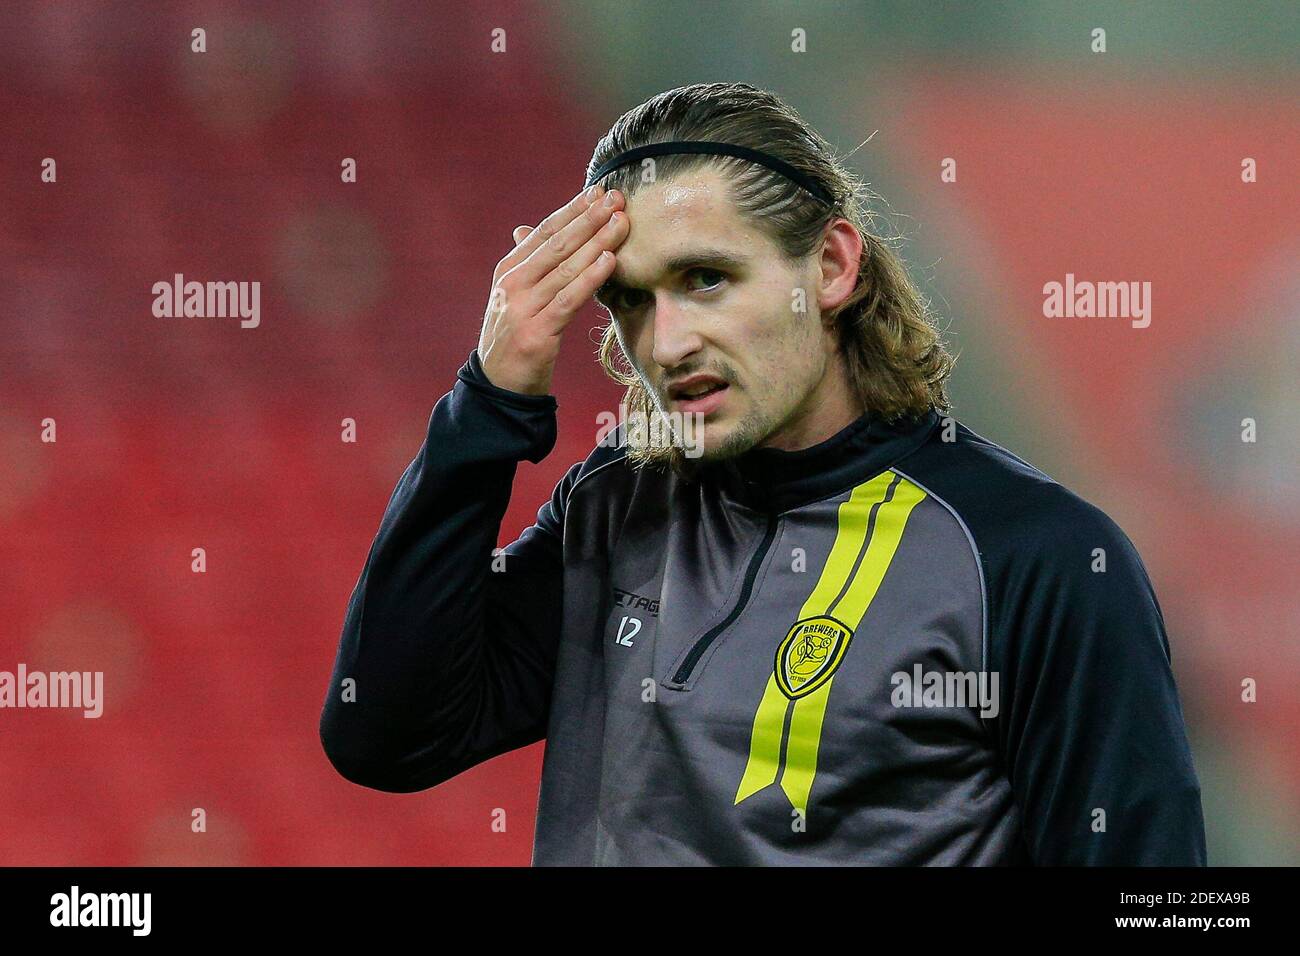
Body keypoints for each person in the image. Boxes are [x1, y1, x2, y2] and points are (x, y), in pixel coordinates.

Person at [319, 82, 1207, 865]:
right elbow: (383, 736)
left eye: (706, 279)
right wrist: (487, 406)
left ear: (830, 266)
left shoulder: (1036, 557)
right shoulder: (614, 508)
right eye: (629, 300)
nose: (664, 344)